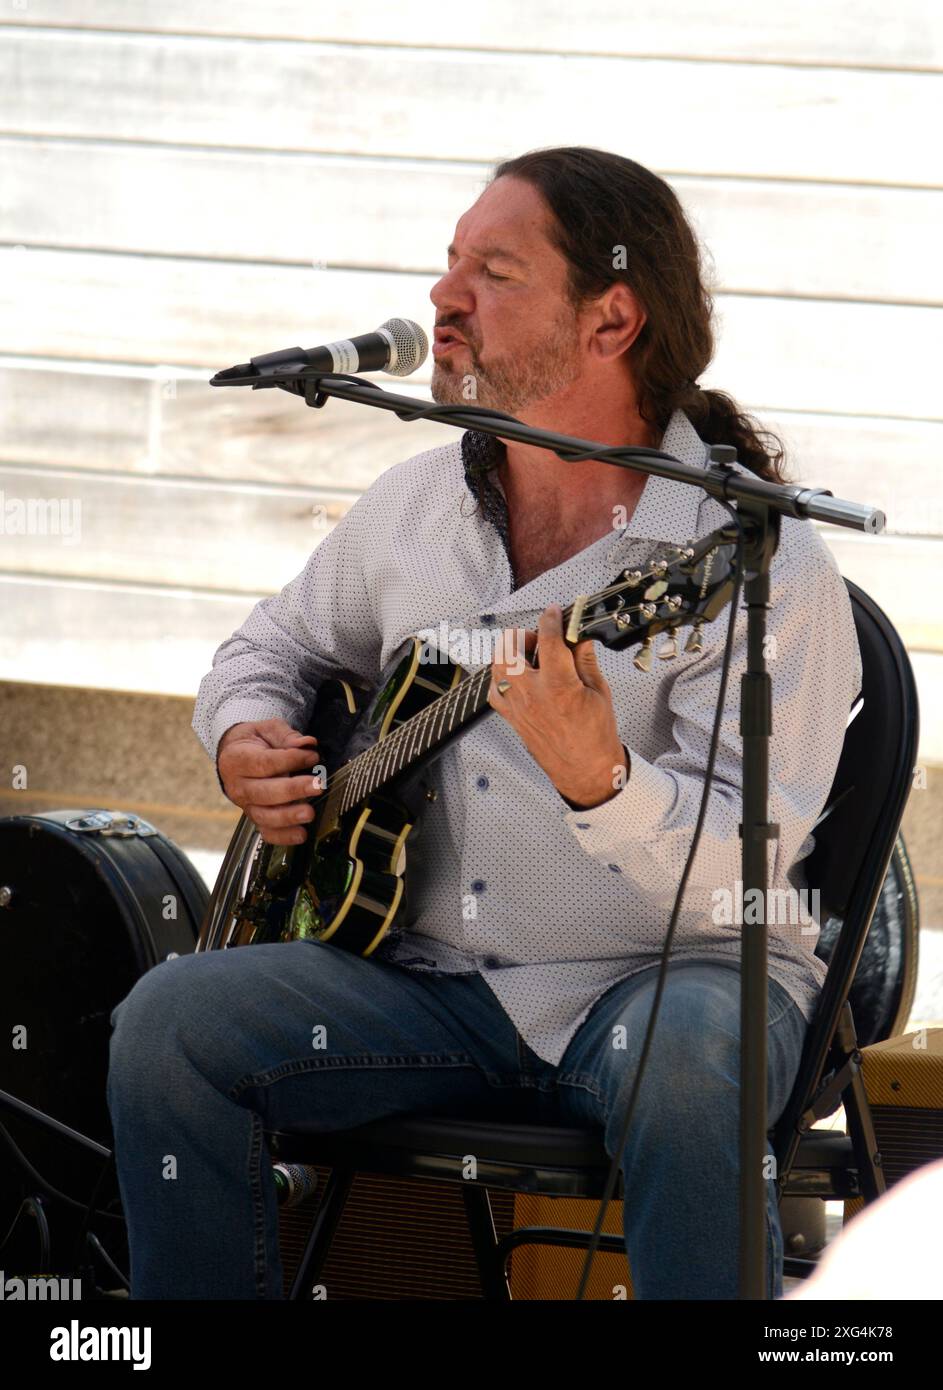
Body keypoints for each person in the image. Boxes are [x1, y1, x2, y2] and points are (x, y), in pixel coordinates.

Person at [106, 145, 862, 1300]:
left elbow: (741, 875)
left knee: (690, 1058)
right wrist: (242, 731)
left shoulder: (754, 561)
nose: (442, 299)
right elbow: (272, 647)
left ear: (611, 320)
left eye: (492, 273)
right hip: (425, 984)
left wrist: (604, 781)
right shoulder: (414, 509)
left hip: (663, 983)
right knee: (171, 1023)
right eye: (450, 263)